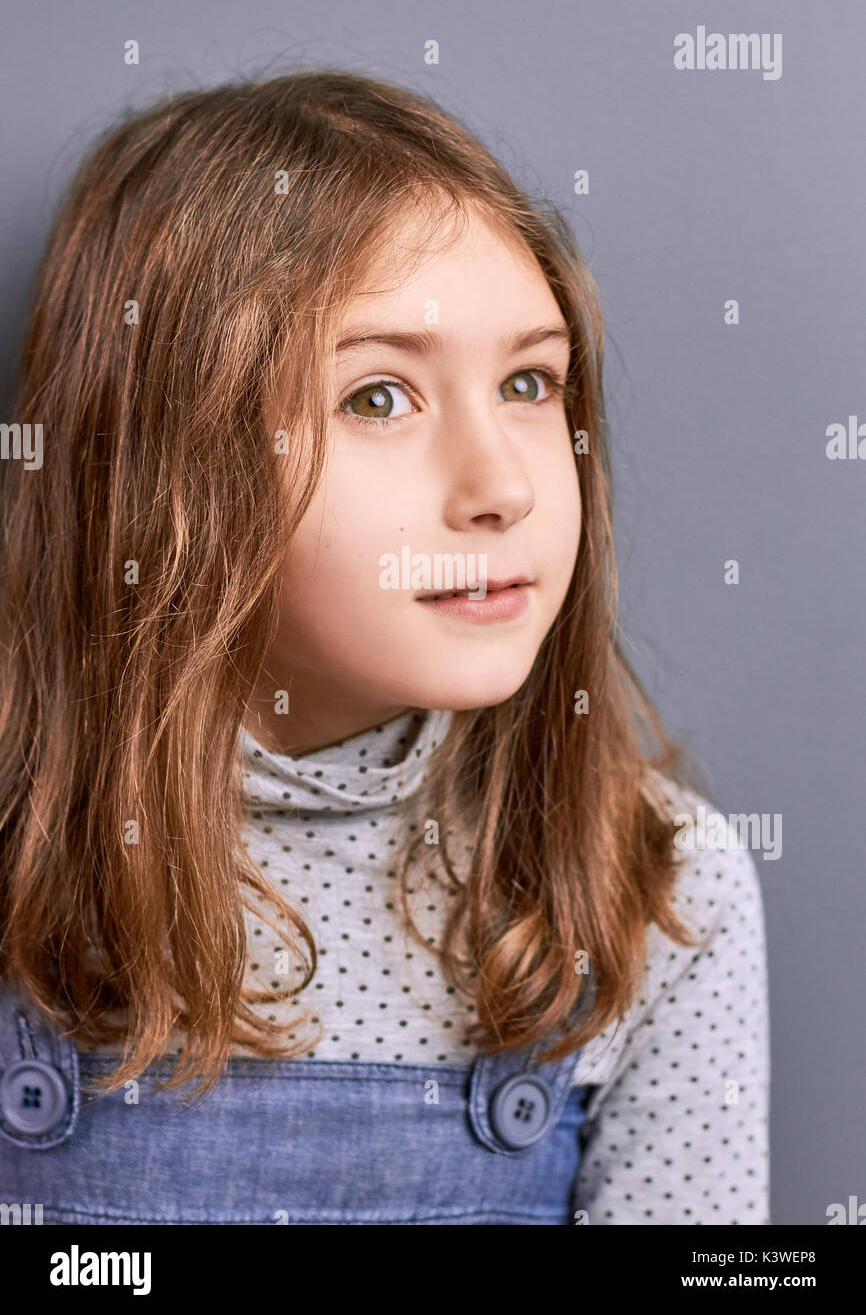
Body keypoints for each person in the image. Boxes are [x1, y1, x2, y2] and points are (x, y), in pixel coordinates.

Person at [0, 70, 769, 1225]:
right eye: (377, 397)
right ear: (163, 467)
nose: (502, 484)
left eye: (526, 382)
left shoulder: (656, 882)